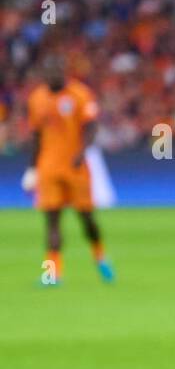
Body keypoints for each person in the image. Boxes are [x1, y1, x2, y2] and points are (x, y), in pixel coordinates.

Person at [23, 55, 113, 285]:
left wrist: (82, 152)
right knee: (52, 221)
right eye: (48, 72)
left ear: (64, 71)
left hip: (75, 167)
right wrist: (32, 168)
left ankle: (101, 258)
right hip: (48, 168)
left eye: (56, 71)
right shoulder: (37, 99)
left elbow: (91, 126)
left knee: (87, 219)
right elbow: (36, 136)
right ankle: (52, 274)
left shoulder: (80, 94)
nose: (52, 76)